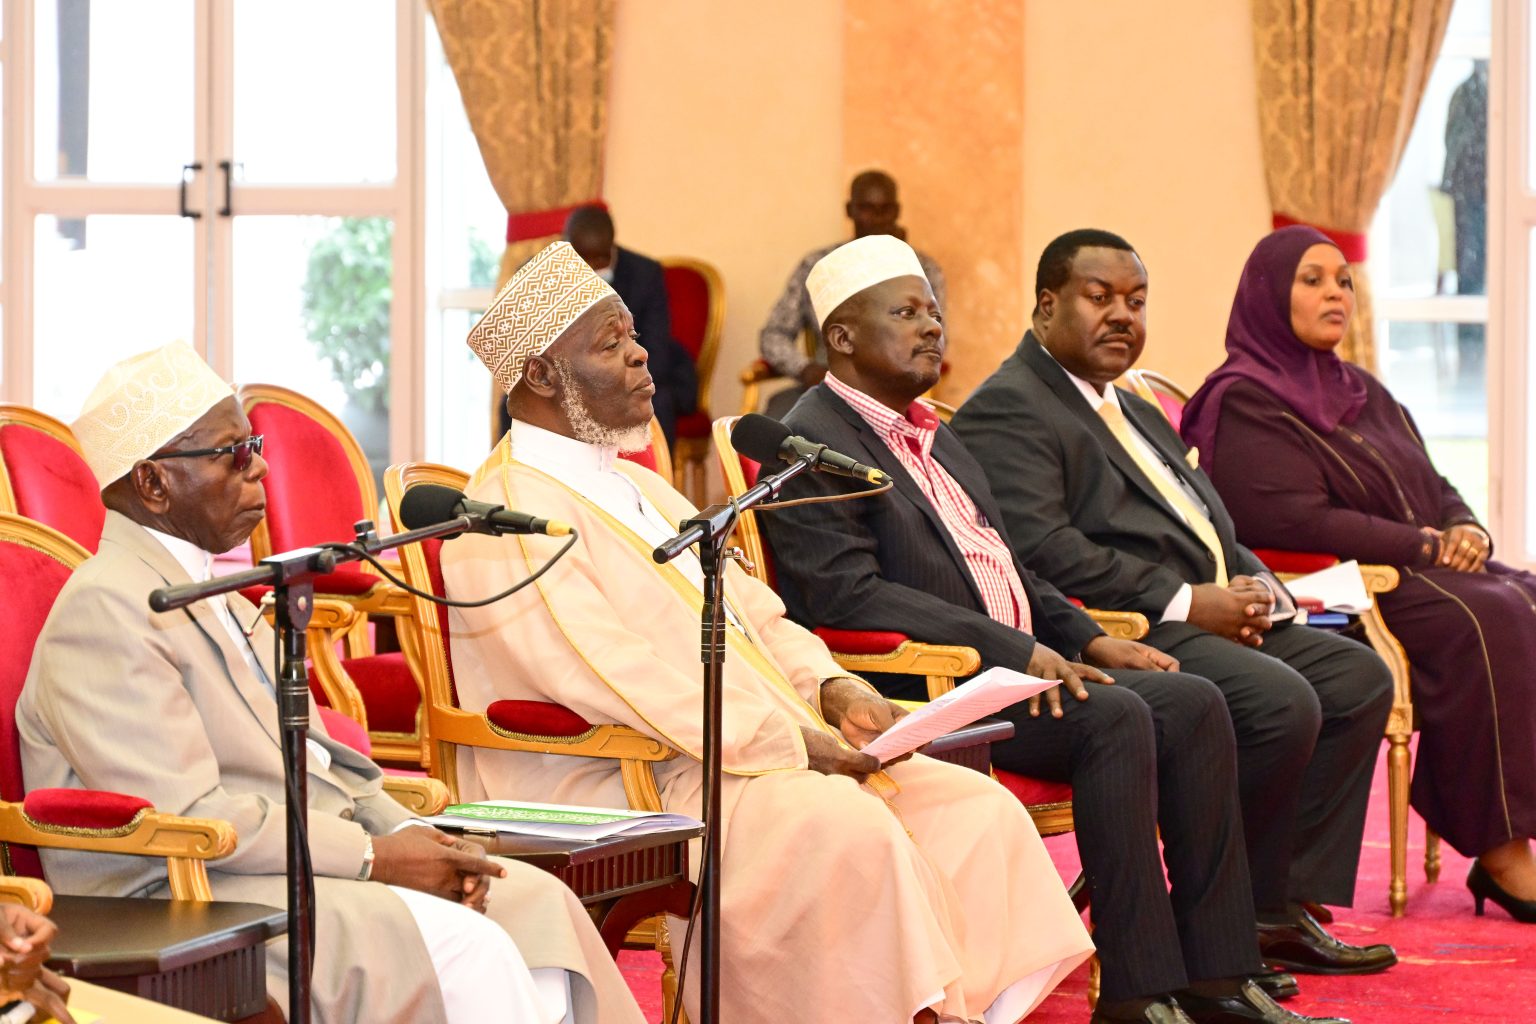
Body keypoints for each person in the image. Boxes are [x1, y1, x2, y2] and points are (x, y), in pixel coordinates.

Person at [443, 241, 1094, 1024]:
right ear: (542, 376)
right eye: (611, 343)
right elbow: (609, 675)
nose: (643, 352)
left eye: (632, 334)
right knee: (849, 829)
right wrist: (791, 743)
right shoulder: (507, 513)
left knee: (972, 810)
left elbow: (757, 615)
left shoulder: (642, 485)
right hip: (634, 771)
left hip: (750, 748)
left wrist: (831, 686)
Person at [763, 235, 1341, 1024]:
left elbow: (1007, 565)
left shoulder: (934, 431)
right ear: (842, 337)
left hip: (1016, 670)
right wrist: (1018, 651)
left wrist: (1086, 636)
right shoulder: (810, 442)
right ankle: (1137, 992)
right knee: (1117, 717)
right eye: (906, 314)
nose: (933, 328)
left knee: (1196, 701)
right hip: (928, 688)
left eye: (934, 312)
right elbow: (849, 596)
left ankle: (1218, 974)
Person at [18, 341, 645, 1024]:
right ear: (153, 483)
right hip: (190, 888)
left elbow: (327, 765)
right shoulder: (108, 606)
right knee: (473, 947)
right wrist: (376, 856)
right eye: (231, 453)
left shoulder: (224, 593)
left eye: (252, 443)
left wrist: (414, 833)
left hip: (290, 860)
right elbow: (193, 813)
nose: (257, 466)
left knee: (532, 908)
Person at [950, 230, 1398, 977]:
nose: (1122, 315)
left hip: (1211, 610)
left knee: (1357, 679)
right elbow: (1044, 549)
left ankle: (1275, 908)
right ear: (1046, 305)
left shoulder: (1129, 403)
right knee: (1282, 701)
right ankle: (1219, 916)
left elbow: (1209, 520)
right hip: (1126, 624)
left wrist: (1263, 591)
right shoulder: (1012, 407)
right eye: (1100, 299)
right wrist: (1189, 600)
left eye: (1136, 300)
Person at [1181, 224, 1536, 924]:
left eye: (1342, 279)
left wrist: (1466, 528)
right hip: (1334, 589)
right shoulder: (1244, 397)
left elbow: (1430, 480)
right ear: (1268, 294)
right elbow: (1290, 519)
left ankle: (1505, 816)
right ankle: (1501, 848)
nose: (1335, 293)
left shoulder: (1358, 387)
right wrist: (1426, 544)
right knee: (1492, 616)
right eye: (1312, 279)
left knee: (1522, 596)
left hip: (1408, 567)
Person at [758, 169, 946, 418]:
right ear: (850, 210)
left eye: (885, 209)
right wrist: (806, 369)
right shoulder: (820, 266)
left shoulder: (923, 269)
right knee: (780, 432)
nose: (877, 219)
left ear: (897, 211)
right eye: (867, 209)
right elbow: (774, 334)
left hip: (895, 389)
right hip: (824, 384)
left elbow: (937, 337)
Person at [561, 205, 698, 446]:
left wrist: (612, 380)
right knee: (514, 402)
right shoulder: (543, 276)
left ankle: (655, 479)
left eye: (600, 259)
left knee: (659, 399)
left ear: (612, 247)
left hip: (631, 369)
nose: (593, 268)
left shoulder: (645, 274)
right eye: (584, 261)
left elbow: (655, 344)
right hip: (572, 374)